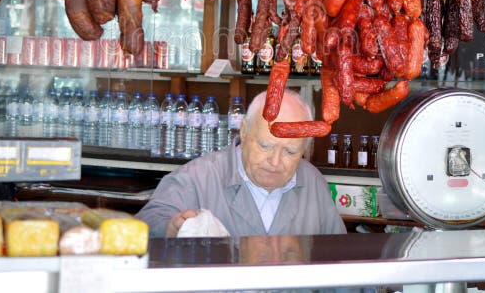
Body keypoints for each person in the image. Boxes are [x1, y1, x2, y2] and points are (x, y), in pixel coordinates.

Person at [135, 89, 346, 238]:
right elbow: (145, 223)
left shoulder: (313, 183)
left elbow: (340, 264)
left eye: (290, 151)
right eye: (265, 146)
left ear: (305, 149)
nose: (274, 162)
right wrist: (170, 229)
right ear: (244, 131)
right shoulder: (198, 177)